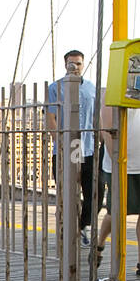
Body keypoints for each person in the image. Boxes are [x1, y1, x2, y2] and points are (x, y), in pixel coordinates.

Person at [90, 102, 140, 277]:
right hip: (122, 164)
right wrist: (117, 160)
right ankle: (100, 244)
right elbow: (107, 129)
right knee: (116, 210)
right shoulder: (114, 89)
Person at [45, 50, 99, 246]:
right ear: (65, 64)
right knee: (67, 194)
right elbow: (50, 117)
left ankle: (82, 224)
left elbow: (96, 115)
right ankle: (67, 232)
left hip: (88, 147)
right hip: (68, 147)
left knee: (95, 191)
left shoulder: (92, 88)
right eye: (71, 63)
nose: (74, 67)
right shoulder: (55, 88)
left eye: (78, 64)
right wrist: (58, 143)